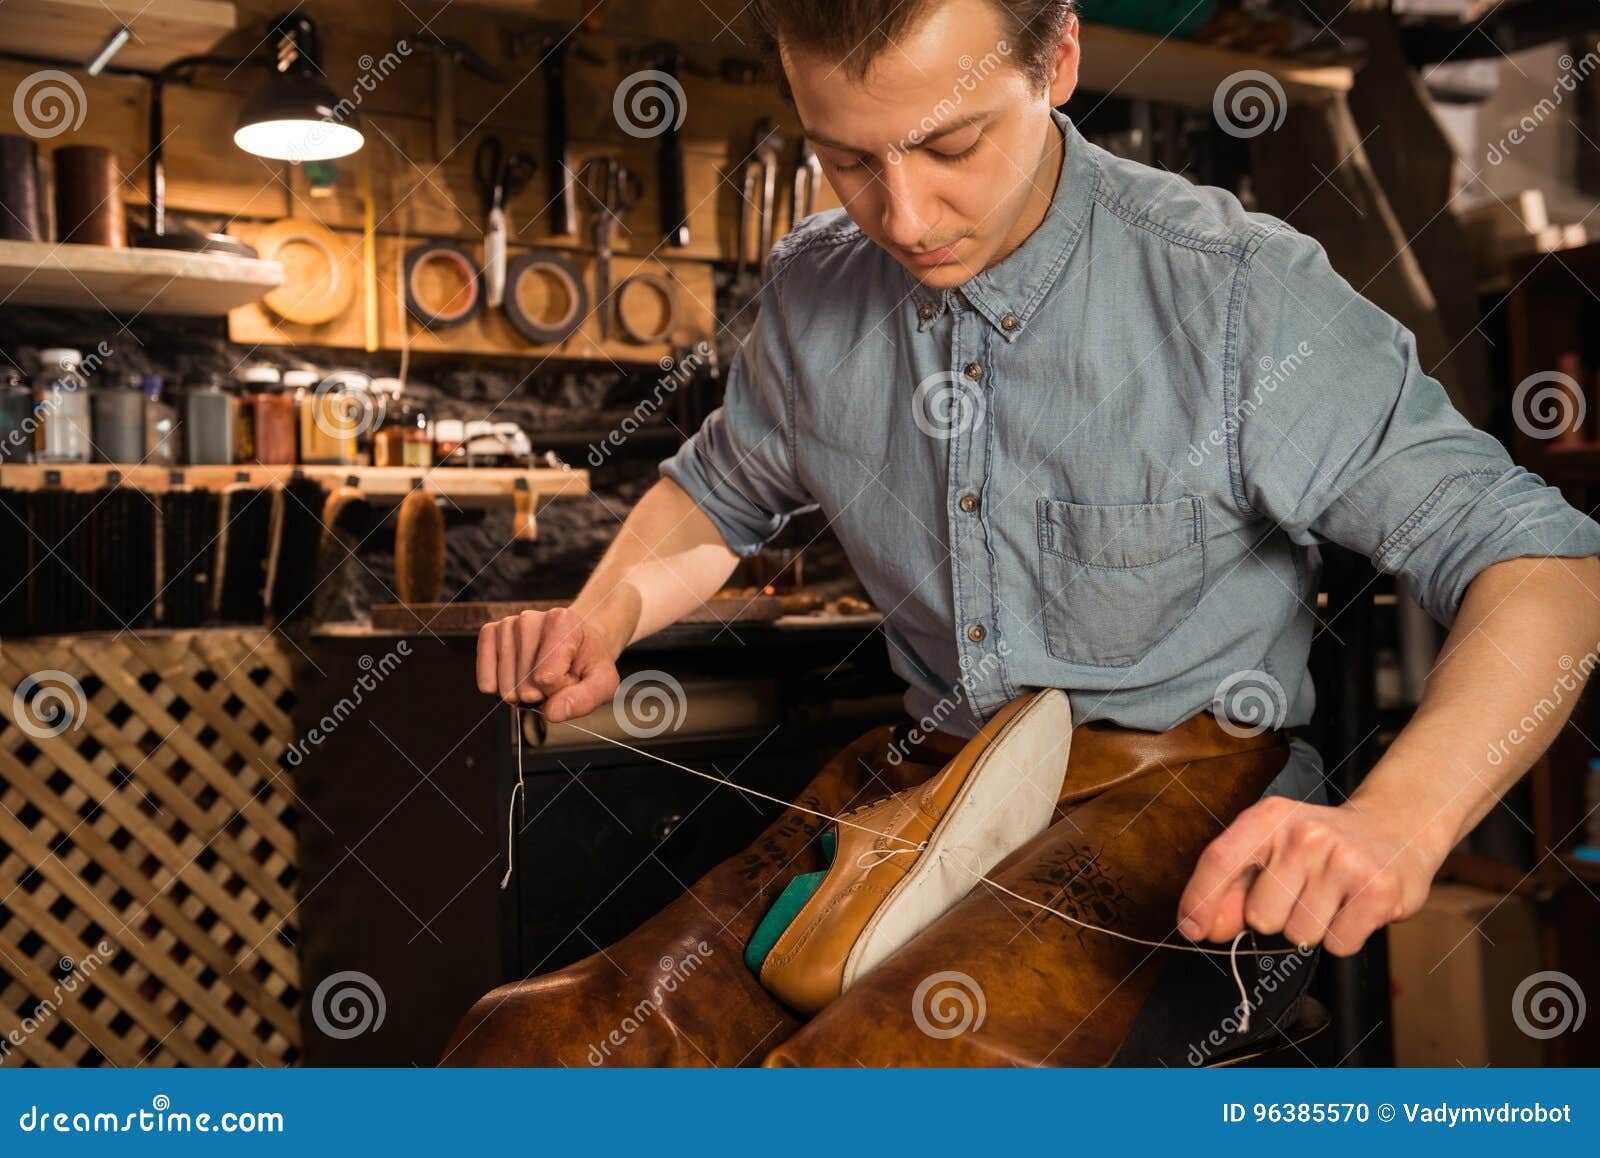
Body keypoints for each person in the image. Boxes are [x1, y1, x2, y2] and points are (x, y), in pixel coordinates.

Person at [454, 0, 1600, 1065]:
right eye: (846, 158)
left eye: (949, 147)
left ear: (1056, 62)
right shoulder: (816, 284)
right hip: (925, 791)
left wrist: (1400, 820)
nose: (900, 218)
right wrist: (604, 613)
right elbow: (722, 489)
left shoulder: (1236, 295)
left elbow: (1546, 566)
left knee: (868, 1085)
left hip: (1186, 800)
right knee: (532, 1054)